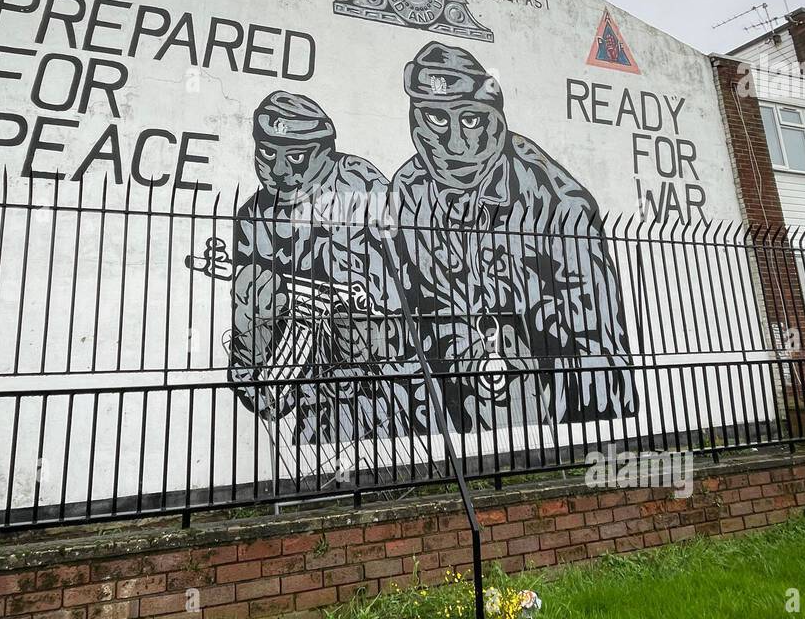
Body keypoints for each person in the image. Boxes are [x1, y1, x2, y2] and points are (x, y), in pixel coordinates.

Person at [388, 41, 637, 439]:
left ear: (496, 118)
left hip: (544, 411)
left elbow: (597, 350)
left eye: (470, 120)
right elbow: (410, 314)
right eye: (435, 117)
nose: (454, 144)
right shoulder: (408, 188)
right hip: (453, 414)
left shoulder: (560, 205)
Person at [227, 91, 412, 471]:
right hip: (312, 405)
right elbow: (263, 396)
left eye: (295, 156)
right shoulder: (253, 217)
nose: (278, 170)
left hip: (376, 396)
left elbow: (405, 284)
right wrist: (252, 331)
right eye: (267, 153)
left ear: (326, 153)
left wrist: (373, 330)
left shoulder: (359, 185)